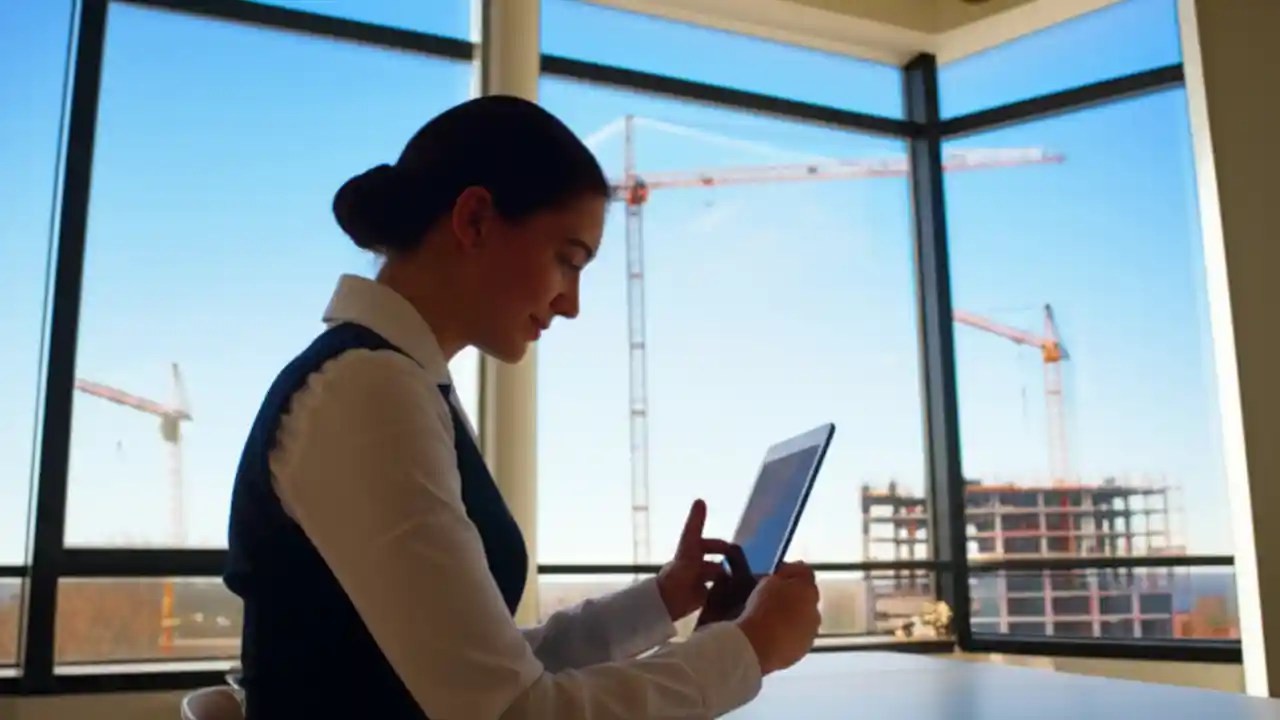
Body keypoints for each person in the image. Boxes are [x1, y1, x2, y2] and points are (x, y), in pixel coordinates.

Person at [223, 94, 822, 720]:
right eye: (568, 260)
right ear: (476, 219)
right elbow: (513, 711)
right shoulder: (369, 392)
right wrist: (751, 648)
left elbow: (495, 669)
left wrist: (664, 599)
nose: (572, 304)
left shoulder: (398, 385)